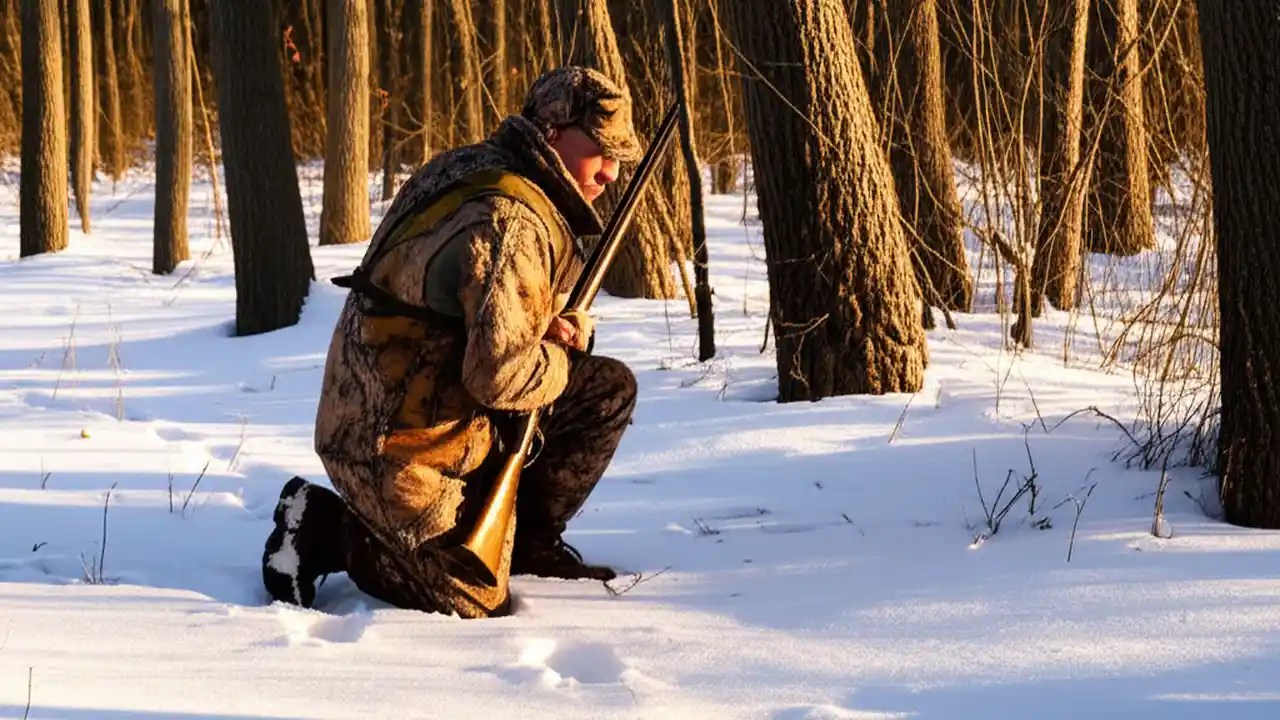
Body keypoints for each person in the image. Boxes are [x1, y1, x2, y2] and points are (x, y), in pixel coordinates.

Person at [261, 67, 643, 619]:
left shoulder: (474, 167)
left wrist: (548, 327)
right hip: (391, 440)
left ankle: (526, 542)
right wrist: (558, 353)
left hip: (422, 403)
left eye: (619, 159)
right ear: (554, 133)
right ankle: (324, 528)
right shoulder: (512, 217)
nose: (609, 173)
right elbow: (502, 374)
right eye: (600, 151)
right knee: (469, 596)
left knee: (604, 389)